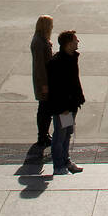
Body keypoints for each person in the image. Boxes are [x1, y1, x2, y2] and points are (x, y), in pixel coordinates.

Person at [47, 29, 85, 175]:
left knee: (67, 133)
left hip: (71, 105)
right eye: (75, 39)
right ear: (68, 43)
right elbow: (57, 88)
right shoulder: (57, 62)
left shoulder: (71, 57)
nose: (78, 41)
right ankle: (58, 165)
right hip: (63, 108)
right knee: (60, 135)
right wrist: (63, 107)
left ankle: (66, 160)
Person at [30, 15, 53, 149]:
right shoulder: (39, 42)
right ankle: (42, 135)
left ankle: (44, 134)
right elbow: (40, 66)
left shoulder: (41, 39)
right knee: (44, 109)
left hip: (45, 80)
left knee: (45, 109)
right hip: (44, 82)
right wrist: (44, 85)